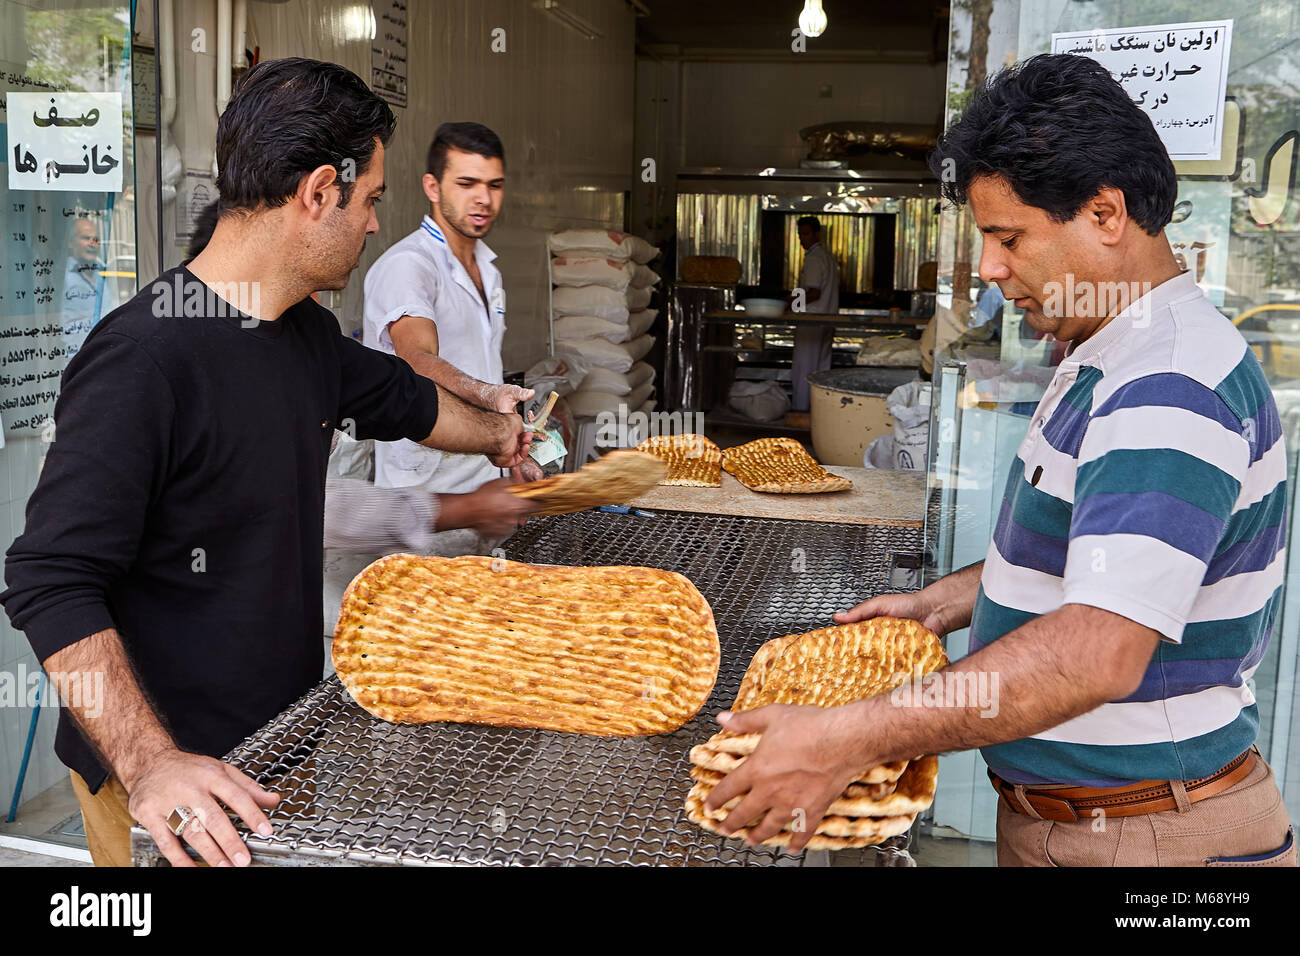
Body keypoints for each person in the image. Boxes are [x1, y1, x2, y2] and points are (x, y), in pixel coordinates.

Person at [702, 53, 1294, 867]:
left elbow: (1097, 650)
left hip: (1149, 840)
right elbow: (1101, 563)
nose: (988, 267)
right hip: (1086, 825)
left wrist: (851, 734)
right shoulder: (1105, 350)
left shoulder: (1166, 385)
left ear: (1105, 213)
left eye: (1007, 236)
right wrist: (945, 604)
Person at [0, 58, 534, 869]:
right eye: (369, 202)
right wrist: (151, 763)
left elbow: (412, 403)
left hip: (280, 749)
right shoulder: (144, 358)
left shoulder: (303, 333)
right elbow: (49, 578)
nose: (370, 226)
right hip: (173, 783)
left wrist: (498, 432)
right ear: (319, 192)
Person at [362, 122, 537, 554]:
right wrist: (485, 393)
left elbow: (483, 364)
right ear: (432, 186)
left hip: (487, 492)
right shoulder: (409, 266)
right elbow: (415, 359)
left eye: (494, 185)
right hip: (427, 503)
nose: (483, 198)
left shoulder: (489, 270)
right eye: (466, 183)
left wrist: (513, 455)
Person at [788, 215, 840, 411]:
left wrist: (790, 303)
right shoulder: (827, 257)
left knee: (804, 370)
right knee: (820, 370)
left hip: (811, 321)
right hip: (827, 319)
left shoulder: (813, 258)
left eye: (806, 234)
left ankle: (800, 411)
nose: (802, 238)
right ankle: (819, 413)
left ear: (817, 234)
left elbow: (814, 292)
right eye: (800, 234)